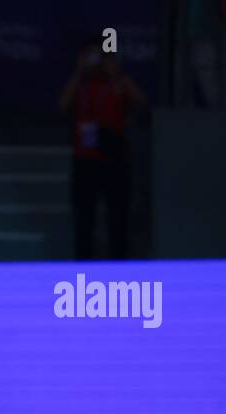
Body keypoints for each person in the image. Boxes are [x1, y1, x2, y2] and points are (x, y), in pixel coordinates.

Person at [59, 39, 145, 259]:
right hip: (85, 159)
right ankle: (83, 265)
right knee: (84, 218)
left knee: (118, 217)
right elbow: (63, 105)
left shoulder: (118, 81)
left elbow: (141, 102)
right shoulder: (81, 84)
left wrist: (114, 73)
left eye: (102, 56)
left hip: (115, 158)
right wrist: (79, 72)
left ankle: (119, 265)